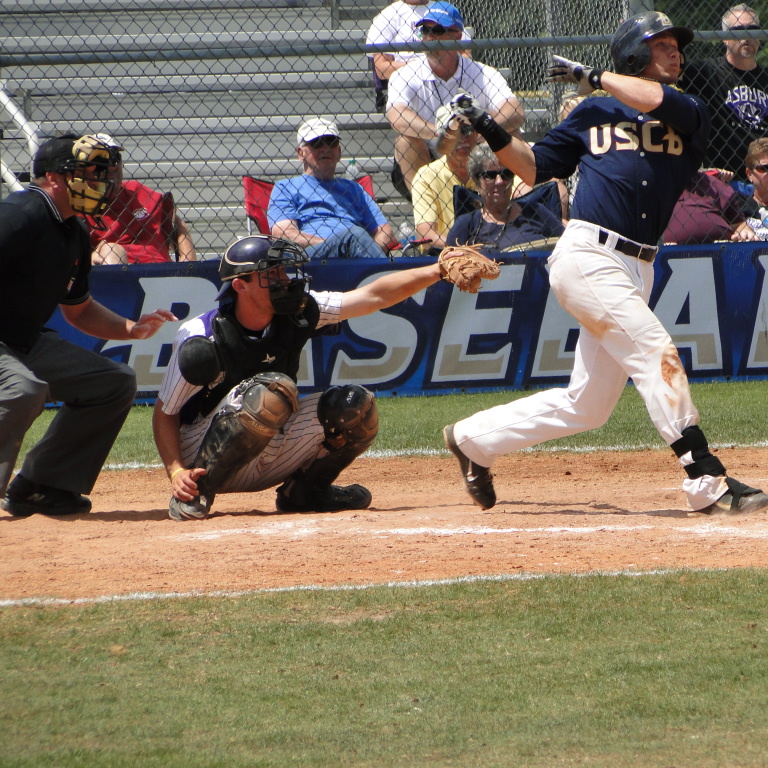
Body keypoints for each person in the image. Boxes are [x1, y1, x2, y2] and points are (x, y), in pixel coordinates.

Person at [442, 11, 768, 515]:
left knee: (589, 406)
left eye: (674, 44)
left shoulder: (688, 110)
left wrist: (593, 77)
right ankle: (705, 479)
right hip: (588, 254)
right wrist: (488, 126)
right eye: (662, 45)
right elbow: (534, 168)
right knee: (654, 349)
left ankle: (472, 440)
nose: (675, 52)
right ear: (635, 55)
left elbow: (655, 101)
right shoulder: (591, 114)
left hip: (638, 266)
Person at [152, 235, 449, 521]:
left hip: (267, 445)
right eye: (271, 273)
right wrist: (177, 472)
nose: (283, 279)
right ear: (240, 285)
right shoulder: (202, 335)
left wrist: (438, 269)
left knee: (356, 406)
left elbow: (374, 295)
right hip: (202, 455)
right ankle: (194, 495)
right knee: (270, 392)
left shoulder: (298, 311)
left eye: (282, 269)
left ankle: (306, 492)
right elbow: (165, 413)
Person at [0, 134, 176, 516]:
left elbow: (77, 310)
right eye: (89, 173)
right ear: (53, 178)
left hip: (23, 342)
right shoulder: (20, 214)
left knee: (113, 382)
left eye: (102, 172)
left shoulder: (74, 231)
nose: (101, 181)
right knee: (22, 389)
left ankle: (41, 486)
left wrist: (132, 328)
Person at [385, 1, 524, 196]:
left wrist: (478, 131)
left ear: (457, 35)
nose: (429, 36)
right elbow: (397, 117)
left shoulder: (483, 72)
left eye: (438, 30)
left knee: (513, 134)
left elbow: (515, 111)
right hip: (432, 153)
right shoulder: (405, 74)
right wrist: (445, 134)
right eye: (425, 30)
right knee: (404, 142)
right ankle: (425, 213)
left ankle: (513, 206)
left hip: (477, 150)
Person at [681, 4, 768, 179]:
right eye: (738, 29)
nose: (747, 36)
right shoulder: (706, 73)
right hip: (724, 180)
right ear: (724, 38)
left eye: (753, 29)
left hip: (766, 180)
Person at [268, 117, 396, 259]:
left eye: (331, 142)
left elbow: (386, 232)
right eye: (316, 143)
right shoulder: (286, 188)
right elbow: (283, 234)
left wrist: (361, 249)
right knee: (354, 236)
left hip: (356, 258)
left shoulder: (354, 189)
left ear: (339, 152)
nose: (325, 148)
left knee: (355, 237)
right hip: (312, 258)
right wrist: (340, 246)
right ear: (301, 153)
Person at [86, 133, 197, 265]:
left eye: (115, 158)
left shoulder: (137, 191)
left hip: (163, 273)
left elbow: (175, 223)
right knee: (111, 250)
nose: (112, 166)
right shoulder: (80, 205)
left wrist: (187, 263)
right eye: (102, 161)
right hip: (124, 274)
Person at [447, 144, 564, 251]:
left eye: (506, 174)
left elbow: (566, 243)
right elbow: (448, 264)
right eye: (490, 175)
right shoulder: (467, 224)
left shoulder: (536, 212)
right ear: (477, 181)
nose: (499, 181)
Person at [364, 0, 472, 113]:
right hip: (410, 86)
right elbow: (382, 68)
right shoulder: (387, 16)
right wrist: (424, 66)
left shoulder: (442, 10)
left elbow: (465, 54)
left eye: (438, 31)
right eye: (425, 30)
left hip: (449, 82)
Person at [411, 126, 479, 250]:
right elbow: (426, 234)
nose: (461, 139)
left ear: (476, 134)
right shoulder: (427, 176)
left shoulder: (492, 171)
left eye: (466, 131)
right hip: (444, 254)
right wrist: (462, 248)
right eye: (452, 134)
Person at [663, 170, 758, 244]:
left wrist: (745, 231)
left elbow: (738, 223)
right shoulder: (653, 185)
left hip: (721, 255)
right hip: (669, 258)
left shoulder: (715, 185)